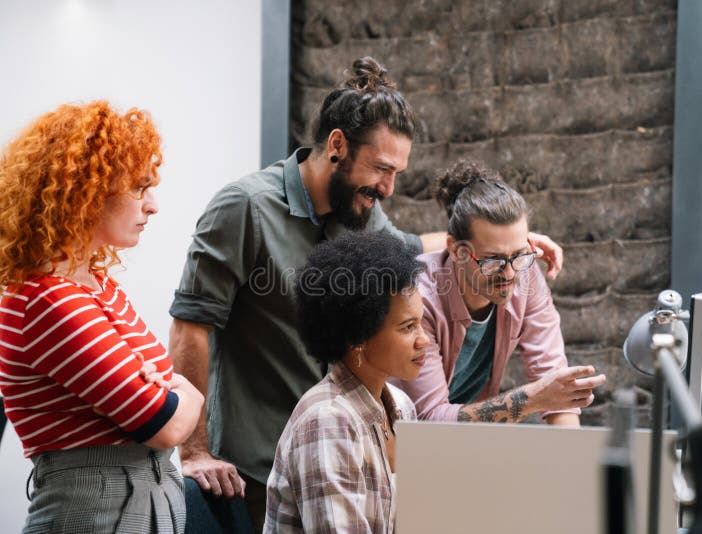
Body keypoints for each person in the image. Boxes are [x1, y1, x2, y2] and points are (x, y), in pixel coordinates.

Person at [168, 56, 563, 531]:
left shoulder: (360, 211)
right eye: (381, 168)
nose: (389, 187)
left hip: (344, 448)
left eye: (397, 172)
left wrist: (508, 247)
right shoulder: (244, 208)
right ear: (337, 145)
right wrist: (193, 451)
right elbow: (191, 326)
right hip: (253, 469)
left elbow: (410, 246)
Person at [0, 101, 204, 533]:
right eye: (139, 187)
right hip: (96, 514)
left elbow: (161, 400)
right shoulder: (47, 300)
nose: (153, 205)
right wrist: (192, 395)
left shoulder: (97, 287)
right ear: (86, 191)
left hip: (138, 507)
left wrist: (173, 394)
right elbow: (163, 423)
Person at [391, 160, 606, 425]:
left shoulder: (524, 273)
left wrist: (572, 462)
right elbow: (430, 419)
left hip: (476, 437)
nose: (508, 274)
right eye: (492, 260)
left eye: (518, 255)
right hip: (398, 445)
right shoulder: (419, 297)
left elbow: (556, 387)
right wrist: (533, 399)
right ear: (457, 251)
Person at [265, 232, 427, 533]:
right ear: (358, 337)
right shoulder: (327, 421)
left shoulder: (401, 406)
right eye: (408, 327)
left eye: (421, 322)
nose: (424, 340)